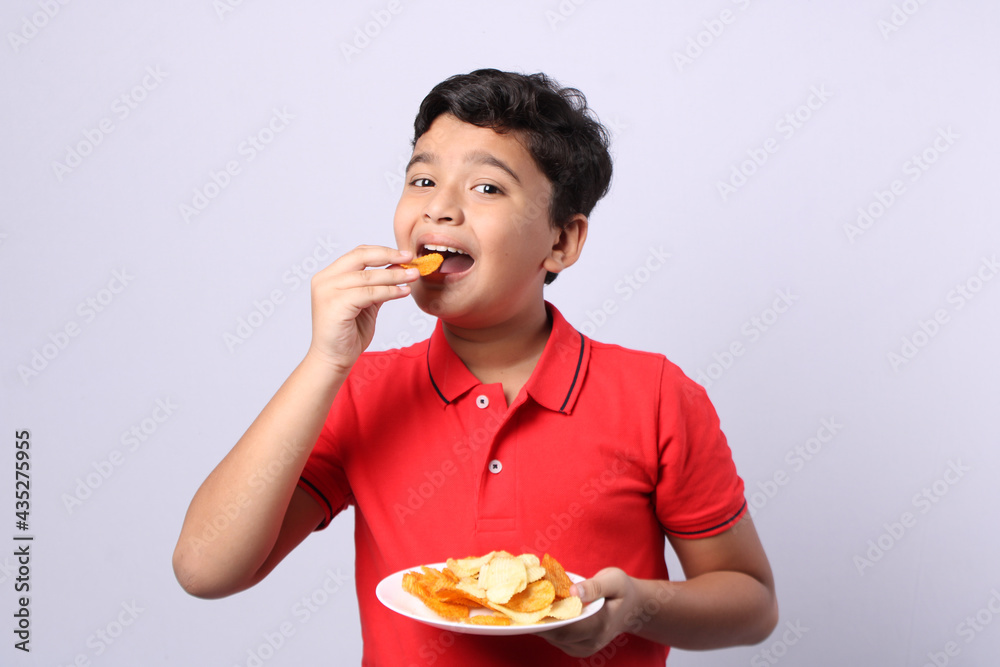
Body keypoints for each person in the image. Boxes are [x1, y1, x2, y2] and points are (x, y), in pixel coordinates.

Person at [173, 68, 778, 665]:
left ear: (562, 242)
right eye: (422, 179)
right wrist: (325, 360)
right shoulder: (362, 392)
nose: (439, 209)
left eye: (487, 188)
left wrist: (636, 607)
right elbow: (205, 569)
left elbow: (751, 604)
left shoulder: (655, 396)